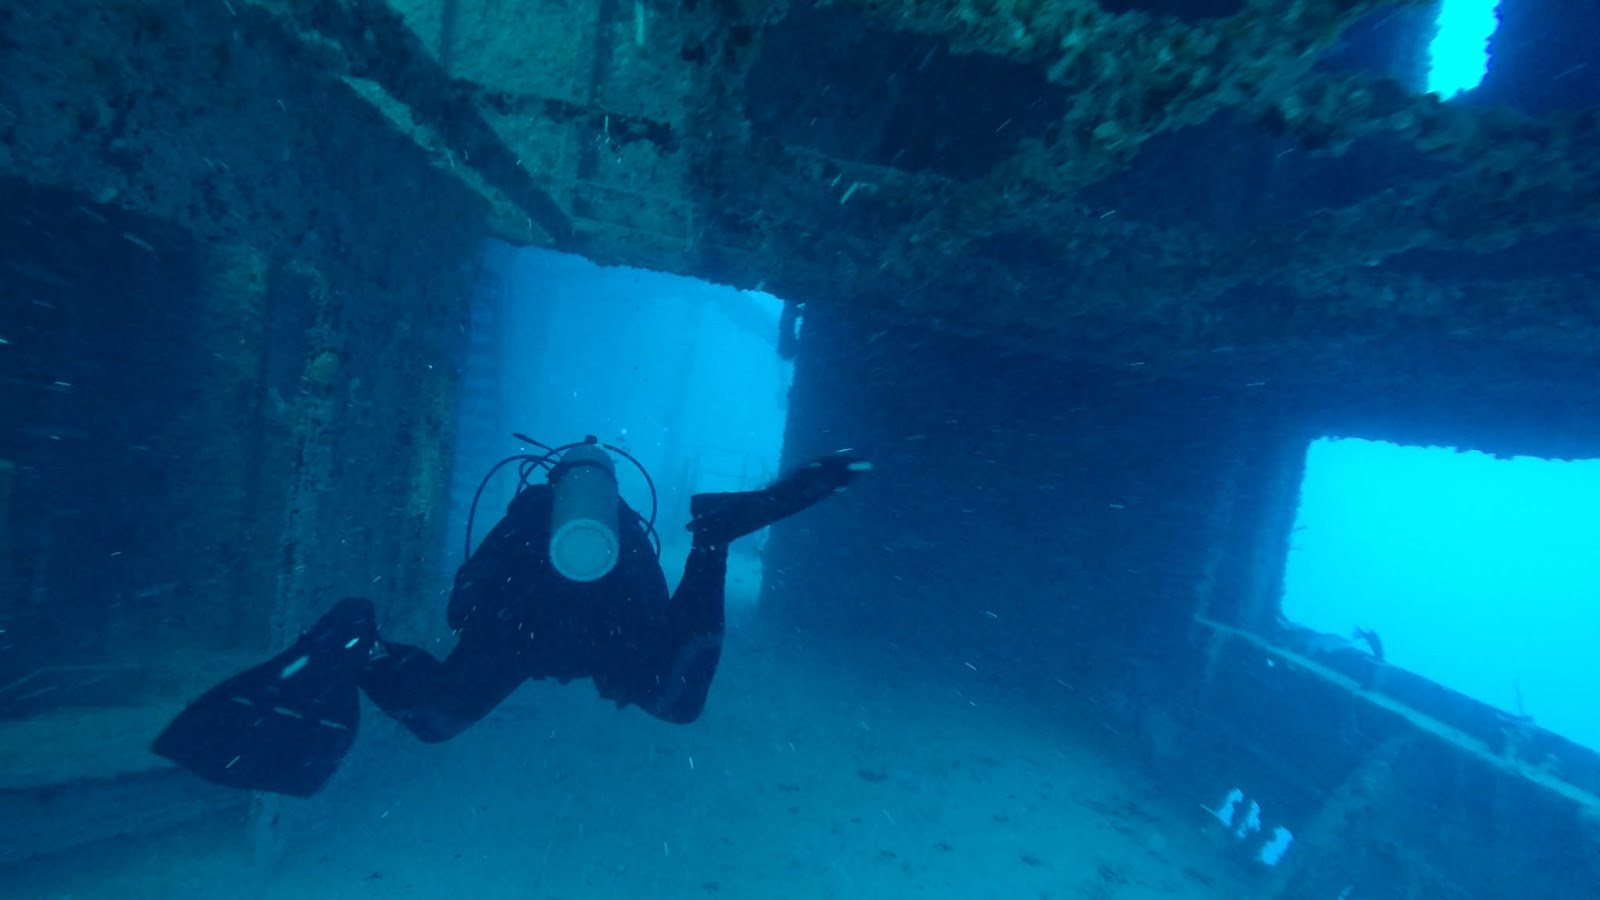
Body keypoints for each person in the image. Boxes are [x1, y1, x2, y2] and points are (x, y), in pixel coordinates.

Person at [152, 438, 869, 796]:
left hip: (520, 634)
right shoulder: (620, 526)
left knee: (438, 717)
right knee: (677, 700)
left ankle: (358, 641)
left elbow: (466, 596)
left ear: (550, 479)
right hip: (604, 633)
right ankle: (715, 537)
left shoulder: (525, 516)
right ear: (609, 485)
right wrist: (634, 636)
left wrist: (492, 632)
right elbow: (651, 599)